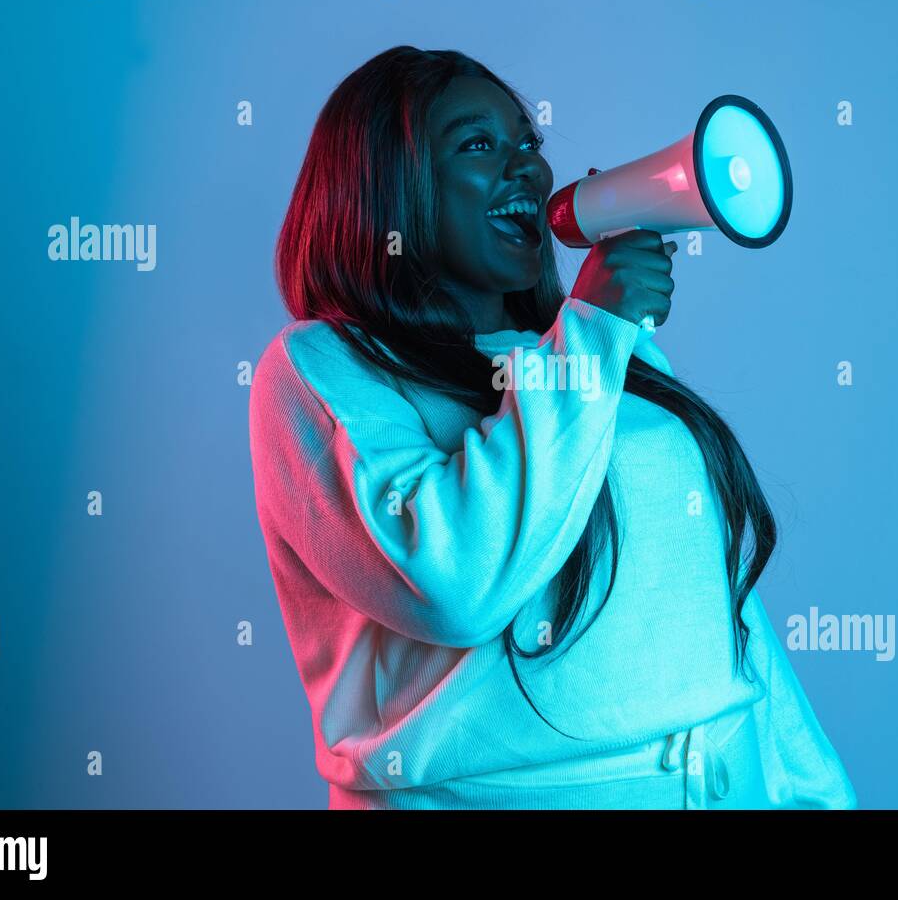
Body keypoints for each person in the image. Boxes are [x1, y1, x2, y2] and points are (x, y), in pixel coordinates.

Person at [248, 45, 857, 809]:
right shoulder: (323, 367)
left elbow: (714, 606)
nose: (527, 170)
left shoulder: (591, 352)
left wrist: (817, 793)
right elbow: (456, 586)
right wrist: (594, 328)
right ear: (386, 190)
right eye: (479, 145)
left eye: (529, 143)